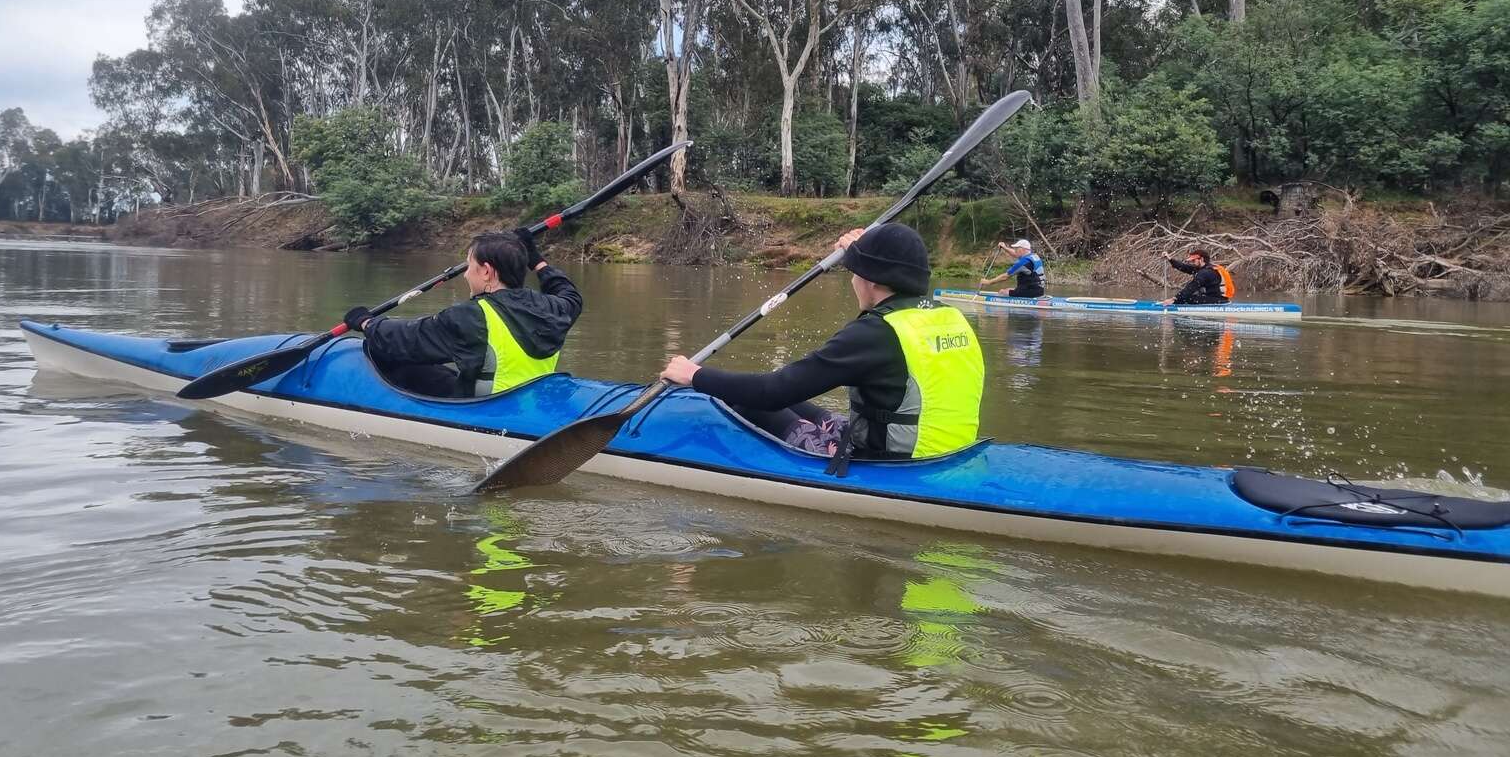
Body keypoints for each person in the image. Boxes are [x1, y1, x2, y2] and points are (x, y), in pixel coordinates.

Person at [658, 223, 984, 476]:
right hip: (950, 452)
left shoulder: (876, 333)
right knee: (789, 397)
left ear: (870, 279)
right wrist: (867, 247)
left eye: (854, 271)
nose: (852, 279)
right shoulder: (949, 316)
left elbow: (772, 393)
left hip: (892, 462)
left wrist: (695, 375)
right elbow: (882, 343)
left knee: (747, 400)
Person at [342, 228, 582, 398]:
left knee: (388, 356)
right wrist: (537, 260)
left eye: (469, 265)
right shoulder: (555, 309)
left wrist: (367, 323)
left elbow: (405, 339)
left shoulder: (472, 316)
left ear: (486, 272)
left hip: (483, 408)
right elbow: (569, 294)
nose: (466, 274)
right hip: (530, 401)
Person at [1164, 247, 1234, 305]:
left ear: (1201, 259)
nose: (1192, 262)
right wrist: (1170, 259)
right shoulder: (1206, 268)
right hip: (1219, 299)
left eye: (1194, 260)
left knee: (1186, 298)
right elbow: (1184, 267)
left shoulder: (1205, 273)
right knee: (1186, 297)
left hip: (1217, 301)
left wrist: (1174, 299)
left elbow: (1191, 288)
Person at [978, 239, 1046, 298]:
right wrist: (1005, 248)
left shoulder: (1023, 262)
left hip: (1031, 292)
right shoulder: (1034, 256)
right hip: (1038, 291)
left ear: (1022, 249)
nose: (1015, 250)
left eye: (1016, 248)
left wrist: (988, 282)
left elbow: (1005, 277)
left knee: (1002, 292)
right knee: (1008, 289)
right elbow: (1015, 254)